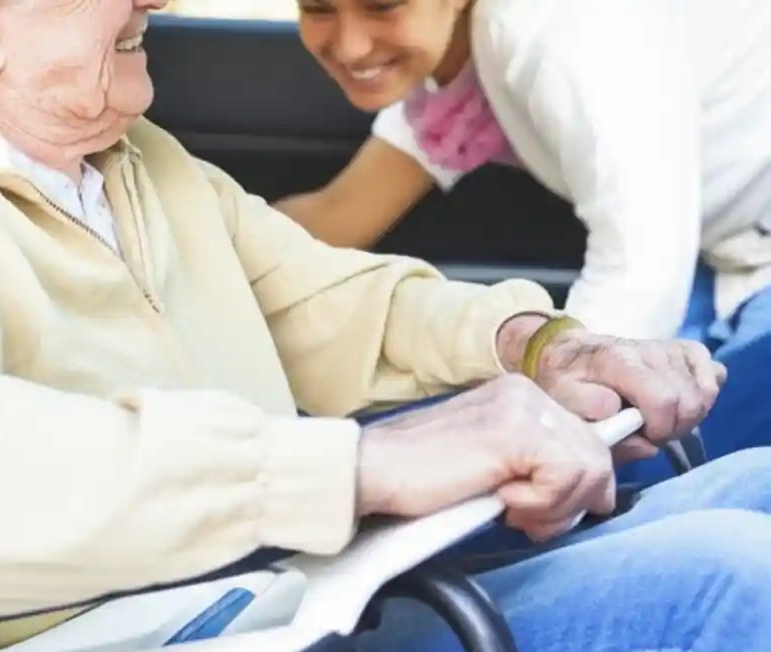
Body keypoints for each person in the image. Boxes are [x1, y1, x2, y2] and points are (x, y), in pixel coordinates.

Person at [0, 0, 771, 652]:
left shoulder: (140, 162)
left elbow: (318, 300)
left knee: (758, 490)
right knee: (733, 586)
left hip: (288, 601)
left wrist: (533, 344)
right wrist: (350, 468)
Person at [275, 0, 771, 471]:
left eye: (383, 6)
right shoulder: (457, 57)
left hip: (728, 262)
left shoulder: (564, 36)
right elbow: (338, 214)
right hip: (722, 258)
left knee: (655, 460)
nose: (351, 45)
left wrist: (539, 425)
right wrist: (209, 237)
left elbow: (642, 276)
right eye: (316, 7)